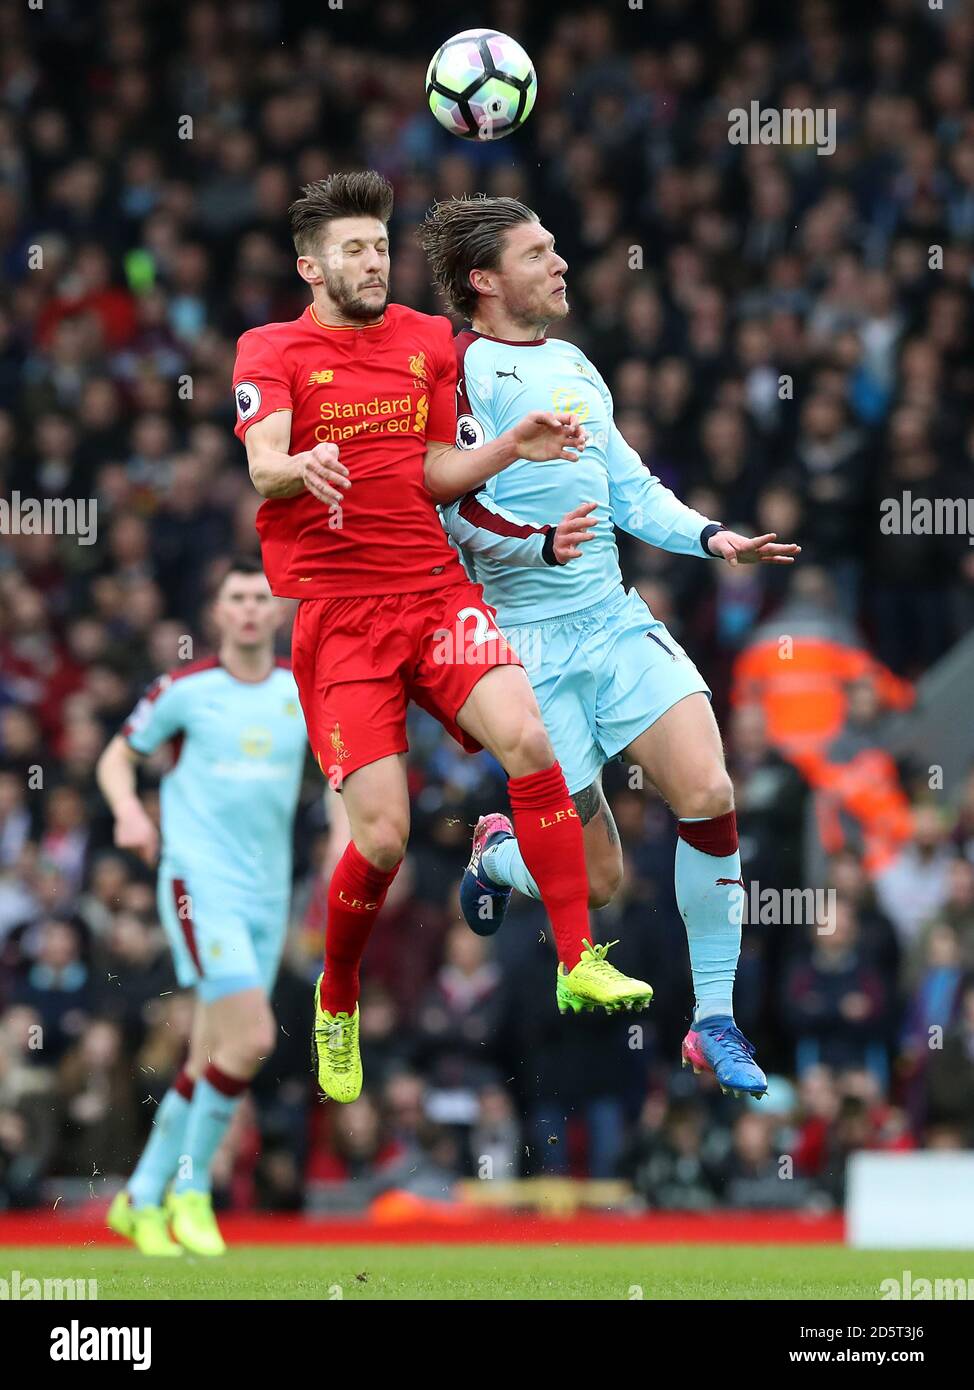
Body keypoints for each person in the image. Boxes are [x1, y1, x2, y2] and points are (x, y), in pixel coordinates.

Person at [232, 172, 654, 1107]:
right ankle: (336, 995)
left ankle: (579, 956)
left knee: (530, 740)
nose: (372, 261)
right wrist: (299, 464)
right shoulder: (271, 349)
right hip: (341, 619)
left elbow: (431, 471)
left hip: (432, 595)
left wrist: (510, 449)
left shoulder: (429, 341)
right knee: (382, 839)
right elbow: (264, 465)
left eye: (380, 246)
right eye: (351, 248)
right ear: (310, 265)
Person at [419, 195, 802, 1098]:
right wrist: (531, 545)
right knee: (598, 884)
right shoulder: (454, 374)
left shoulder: (576, 363)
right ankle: (495, 853)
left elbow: (629, 489)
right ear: (483, 279)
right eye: (538, 252)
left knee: (709, 789)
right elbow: (446, 505)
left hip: (613, 618)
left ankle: (713, 1020)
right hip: (526, 649)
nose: (561, 264)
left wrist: (713, 537)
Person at [96, 558, 308, 1256]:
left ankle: (139, 1197)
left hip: (269, 896)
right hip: (199, 883)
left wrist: (348, 836)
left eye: (259, 597)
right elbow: (115, 758)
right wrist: (129, 813)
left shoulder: (300, 692)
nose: (248, 609)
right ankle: (191, 1191)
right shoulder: (185, 691)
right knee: (248, 1040)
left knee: (207, 1053)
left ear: (276, 611)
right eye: (235, 598)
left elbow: (342, 776)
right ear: (217, 613)